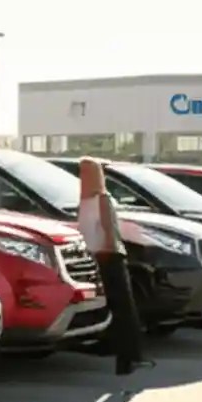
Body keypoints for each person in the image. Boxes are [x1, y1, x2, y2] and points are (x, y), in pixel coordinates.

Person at [78, 156, 152, 375]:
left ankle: (130, 358)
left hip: (110, 256)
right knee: (113, 308)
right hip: (96, 256)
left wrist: (106, 251)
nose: (83, 177)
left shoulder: (102, 198)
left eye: (86, 172)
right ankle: (121, 354)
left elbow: (110, 229)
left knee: (124, 310)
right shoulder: (84, 200)